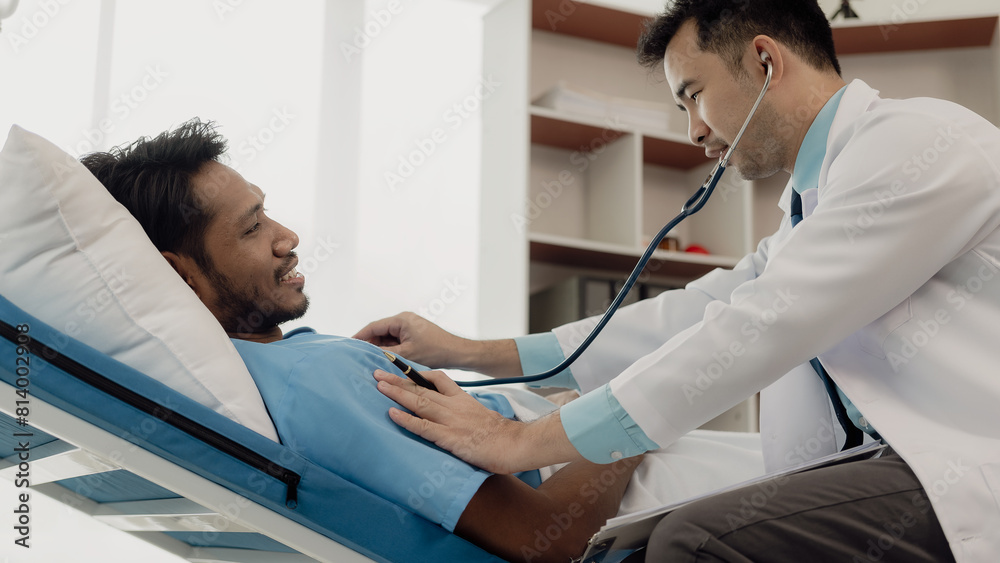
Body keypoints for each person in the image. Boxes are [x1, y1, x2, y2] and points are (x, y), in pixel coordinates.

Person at [355, 0, 1000, 561]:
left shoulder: (917, 144)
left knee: (694, 544)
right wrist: (467, 352)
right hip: (899, 470)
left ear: (765, 62)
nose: (694, 129)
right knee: (647, 538)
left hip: (961, 473)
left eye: (692, 93)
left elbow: (760, 325)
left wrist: (523, 441)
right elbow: (695, 315)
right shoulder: (816, 204)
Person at [79, 119, 647, 563]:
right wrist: (627, 414)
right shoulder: (312, 382)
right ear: (182, 277)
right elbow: (544, 542)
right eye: (252, 228)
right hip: (628, 486)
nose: (288, 237)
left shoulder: (295, 363)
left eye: (266, 212)